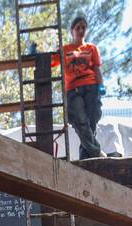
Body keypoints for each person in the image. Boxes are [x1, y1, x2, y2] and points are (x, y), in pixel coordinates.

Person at [57, 16, 103, 160]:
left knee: (92, 122)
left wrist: (101, 85)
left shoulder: (92, 48)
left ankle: (86, 156)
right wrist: (35, 54)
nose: (81, 30)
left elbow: (97, 68)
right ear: (72, 31)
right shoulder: (65, 50)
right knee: (80, 121)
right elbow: (50, 60)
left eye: (84, 27)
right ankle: (97, 152)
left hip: (91, 87)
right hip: (73, 89)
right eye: (78, 27)